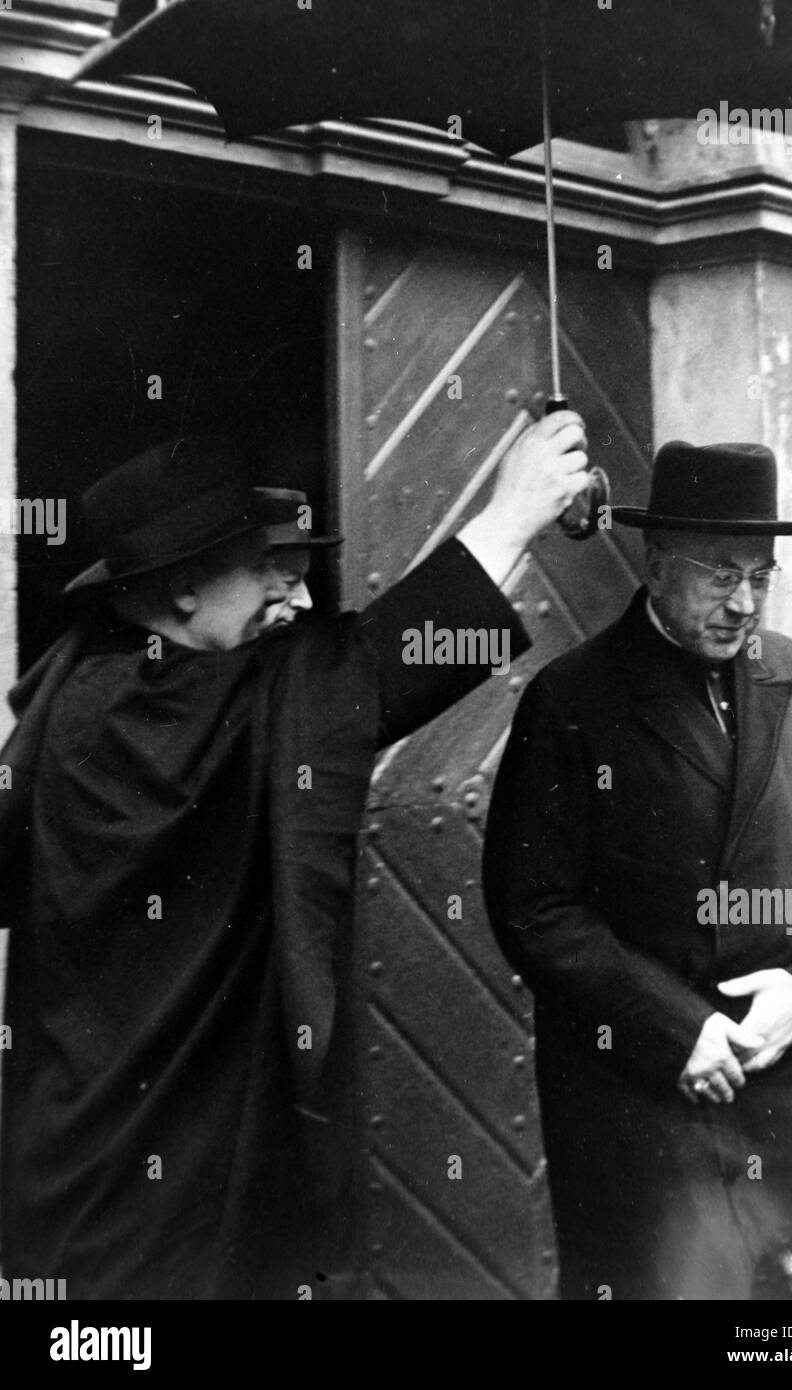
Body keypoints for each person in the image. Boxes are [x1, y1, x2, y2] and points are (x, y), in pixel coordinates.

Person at [0, 412, 589, 1300]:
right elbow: (379, 664)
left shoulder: (69, 693)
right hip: (166, 1177)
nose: (299, 596)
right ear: (186, 588)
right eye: (266, 569)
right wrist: (513, 510)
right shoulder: (200, 706)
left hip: (72, 1150)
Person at [482, 441, 792, 1301]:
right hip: (641, 1108)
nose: (744, 603)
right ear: (656, 563)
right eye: (719, 575)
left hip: (782, 1095)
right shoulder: (574, 701)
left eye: (762, 577)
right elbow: (535, 907)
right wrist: (675, 1028)